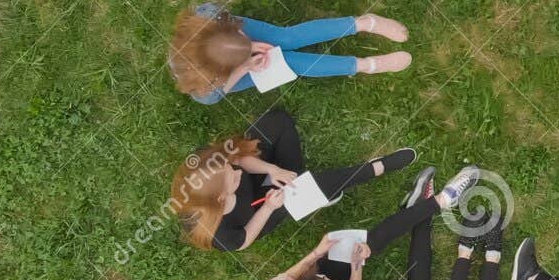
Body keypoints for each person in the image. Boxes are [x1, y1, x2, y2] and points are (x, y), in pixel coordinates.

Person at [256, 165, 483, 280]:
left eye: (321, 278)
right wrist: (356, 267)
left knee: (364, 243)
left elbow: (293, 274)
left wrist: (317, 252)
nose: (327, 277)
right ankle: (422, 215)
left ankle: (435, 202)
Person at [170, 108, 419, 252]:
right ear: (221, 198)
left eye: (229, 168)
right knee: (304, 188)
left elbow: (238, 158)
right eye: (232, 178)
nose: (236, 172)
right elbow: (245, 238)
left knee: (279, 121)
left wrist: (272, 169)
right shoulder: (220, 234)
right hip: (261, 208)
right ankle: (375, 168)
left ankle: (299, 181)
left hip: (262, 176)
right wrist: (269, 206)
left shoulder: (205, 163)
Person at [167, 3, 410, 104]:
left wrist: (249, 46)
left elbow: (233, 28)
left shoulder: (210, 16)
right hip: (234, 70)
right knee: (291, 63)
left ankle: (364, 23)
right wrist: (243, 67)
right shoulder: (204, 89)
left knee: (287, 38)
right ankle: (364, 65)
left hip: (227, 33)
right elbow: (216, 95)